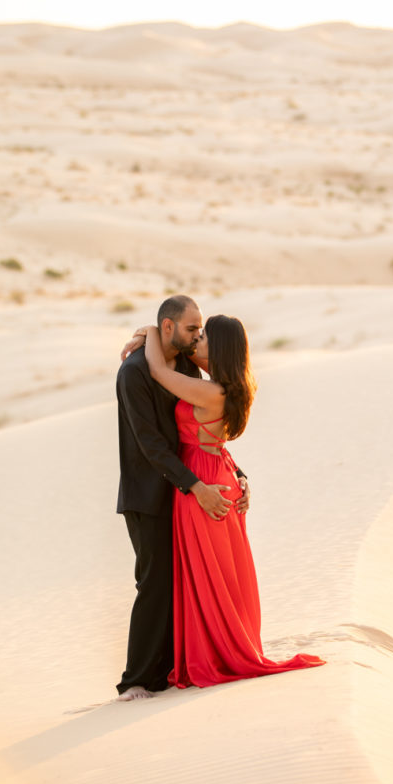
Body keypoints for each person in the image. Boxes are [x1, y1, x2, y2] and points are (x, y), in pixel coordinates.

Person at [125, 312, 324, 687]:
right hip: (218, 472)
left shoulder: (210, 391)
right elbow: (214, 443)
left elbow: (157, 371)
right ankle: (217, 647)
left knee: (207, 575)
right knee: (215, 572)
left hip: (203, 486)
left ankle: (216, 654)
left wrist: (150, 330)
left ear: (219, 349)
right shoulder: (226, 385)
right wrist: (241, 477)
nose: (196, 342)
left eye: (203, 339)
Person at [115, 294, 250, 701]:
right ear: (170, 327)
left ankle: (171, 670)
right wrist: (196, 486)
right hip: (149, 491)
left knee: (186, 581)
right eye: (193, 329)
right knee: (154, 583)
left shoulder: (189, 366)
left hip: (188, 490)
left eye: (202, 331)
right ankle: (135, 680)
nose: (197, 337)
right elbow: (152, 445)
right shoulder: (134, 372)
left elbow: (207, 438)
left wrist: (235, 475)